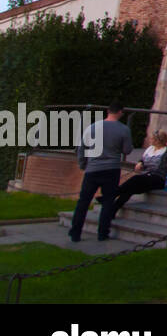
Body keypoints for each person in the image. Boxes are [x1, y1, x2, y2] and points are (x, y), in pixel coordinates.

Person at [69, 102, 133, 242]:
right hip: (112, 169)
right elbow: (127, 150)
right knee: (108, 202)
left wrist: (83, 164)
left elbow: (81, 148)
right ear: (120, 112)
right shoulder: (124, 129)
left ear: (108, 112)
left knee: (83, 202)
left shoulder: (92, 128)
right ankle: (103, 233)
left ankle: (75, 233)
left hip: (92, 169)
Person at [111, 130, 167, 214]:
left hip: (159, 178)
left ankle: (111, 194)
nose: (150, 140)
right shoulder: (150, 149)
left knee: (135, 179)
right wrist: (140, 162)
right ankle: (113, 210)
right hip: (147, 176)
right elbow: (143, 160)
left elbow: (162, 165)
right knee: (130, 188)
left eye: (152, 139)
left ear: (158, 141)